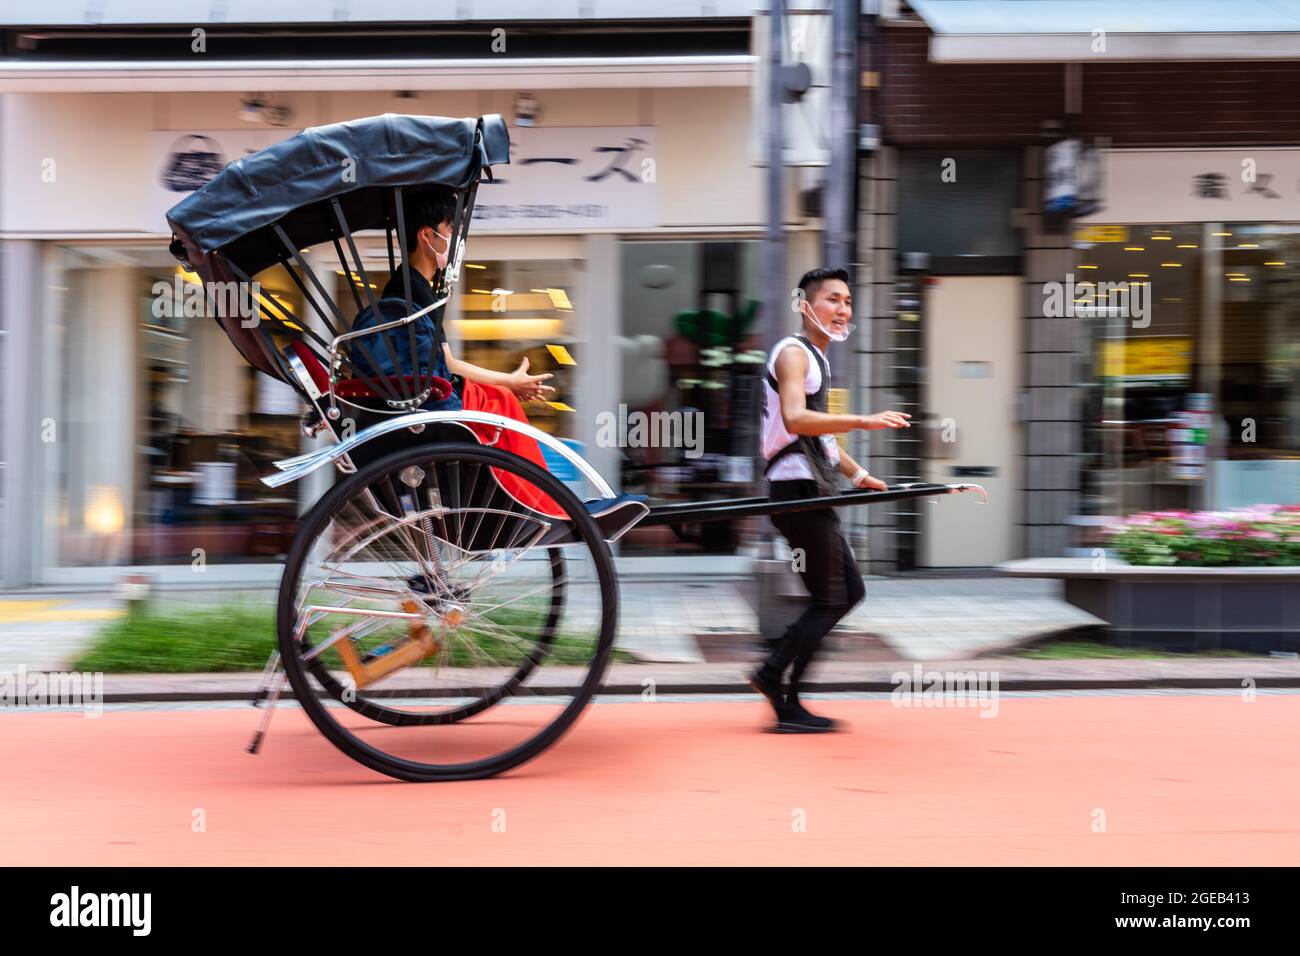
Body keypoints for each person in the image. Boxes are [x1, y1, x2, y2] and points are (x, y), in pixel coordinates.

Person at [749, 267, 911, 733]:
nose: (843, 310)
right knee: (829, 598)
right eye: (833, 300)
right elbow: (797, 420)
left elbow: (819, 438)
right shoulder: (793, 354)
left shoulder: (816, 360)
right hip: (794, 490)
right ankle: (779, 687)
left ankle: (779, 681)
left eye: (847, 302)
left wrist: (860, 475)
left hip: (810, 487)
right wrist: (863, 421)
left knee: (846, 593)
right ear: (806, 305)